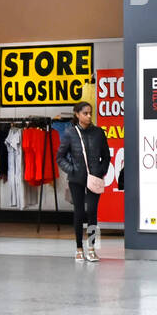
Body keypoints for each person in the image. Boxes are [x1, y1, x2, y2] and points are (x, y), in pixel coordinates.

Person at [57, 101, 111, 262]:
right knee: (79, 212)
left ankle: (92, 248)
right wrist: (72, 169)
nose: (88, 116)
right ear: (77, 114)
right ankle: (79, 248)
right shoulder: (70, 133)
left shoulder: (99, 133)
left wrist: (101, 170)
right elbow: (60, 157)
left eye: (90, 113)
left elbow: (106, 156)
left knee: (93, 212)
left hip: (94, 178)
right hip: (76, 179)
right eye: (85, 113)